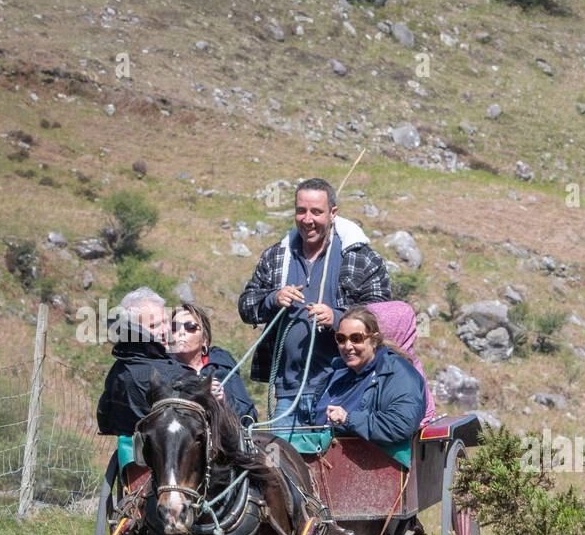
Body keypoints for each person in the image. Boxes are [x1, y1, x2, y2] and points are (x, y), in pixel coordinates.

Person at [237, 178, 391, 433]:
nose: (307, 219)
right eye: (301, 211)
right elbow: (246, 306)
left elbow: (384, 317)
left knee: (334, 469)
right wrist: (272, 299)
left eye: (316, 212)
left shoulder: (361, 258)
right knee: (280, 469)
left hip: (344, 389)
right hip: (288, 391)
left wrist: (338, 319)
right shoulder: (276, 256)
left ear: (333, 213)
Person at [311, 307, 426, 467]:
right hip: (327, 465)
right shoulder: (335, 375)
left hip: (375, 467)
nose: (348, 346)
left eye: (356, 338)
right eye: (341, 338)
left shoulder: (398, 374)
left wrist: (348, 419)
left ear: (374, 340)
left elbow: (401, 425)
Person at [96, 286, 186, 438]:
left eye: (165, 322)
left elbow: (105, 420)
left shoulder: (121, 366)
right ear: (134, 331)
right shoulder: (146, 371)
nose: (164, 331)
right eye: (153, 326)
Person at [167, 301, 258, 422]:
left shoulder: (223, 365)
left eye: (190, 326)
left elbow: (249, 417)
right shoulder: (163, 369)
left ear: (204, 339)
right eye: (174, 328)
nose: (181, 332)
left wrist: (222, 401)